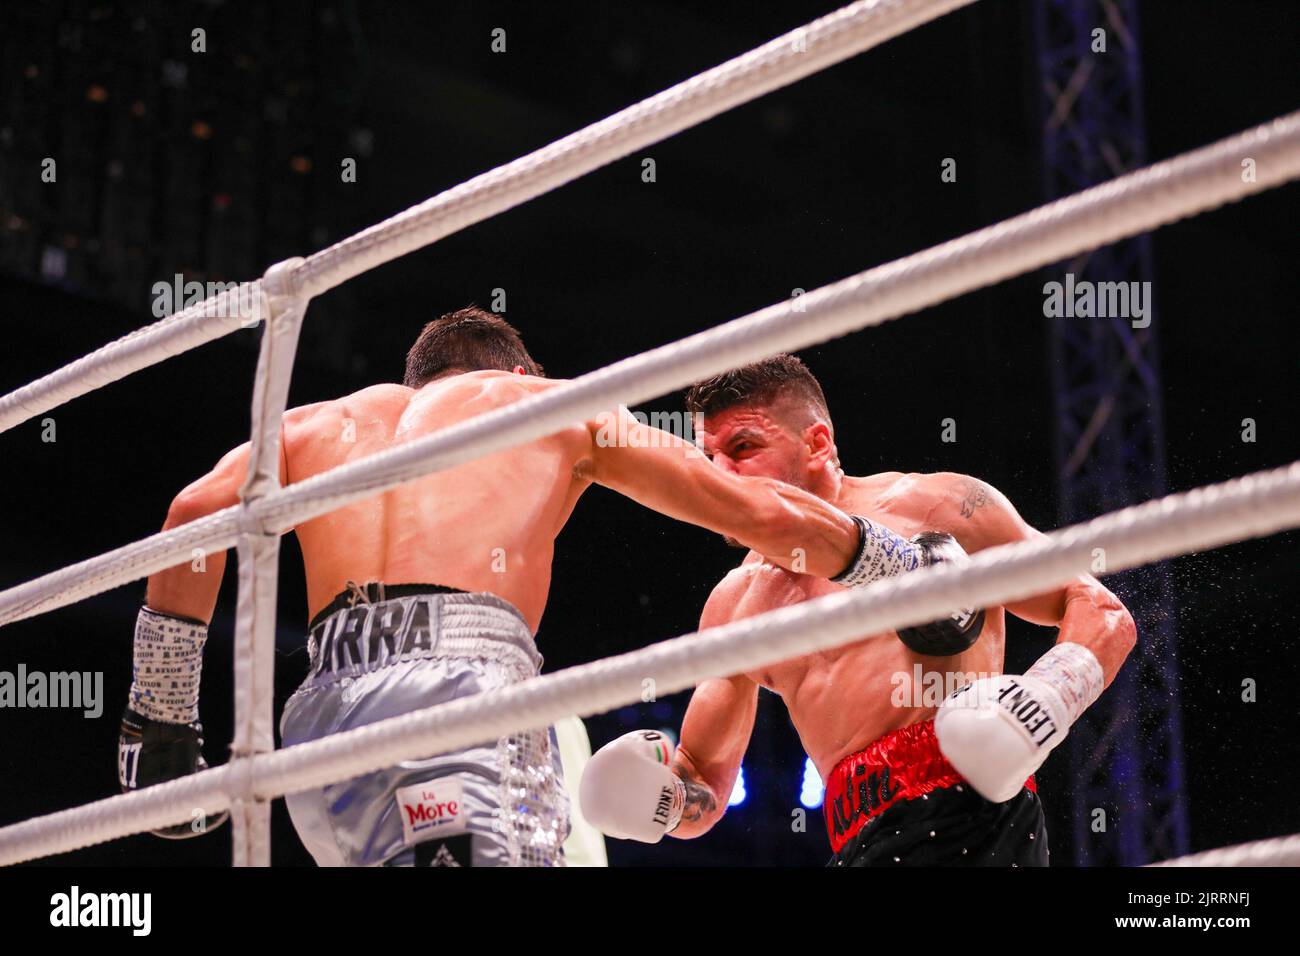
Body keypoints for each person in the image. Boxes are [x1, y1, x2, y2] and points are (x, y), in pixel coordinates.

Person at [117, 311, 885, 867]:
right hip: (458, 701)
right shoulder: (536, 406)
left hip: (321, 725)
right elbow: (746, 508)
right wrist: (894, 563)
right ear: (520, 375)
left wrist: (161, 725)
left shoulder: (317, 425)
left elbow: (193, 516)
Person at [579, 354, 1137, 866]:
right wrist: (663, 802)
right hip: (855, 840)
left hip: (970, 809)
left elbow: (1100, 609)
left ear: (817, 443)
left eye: (744, 448)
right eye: (710, 457)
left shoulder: (935, 508)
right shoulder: (734, 605)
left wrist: (1039, 704)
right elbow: (704, 783)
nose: (720, 473)